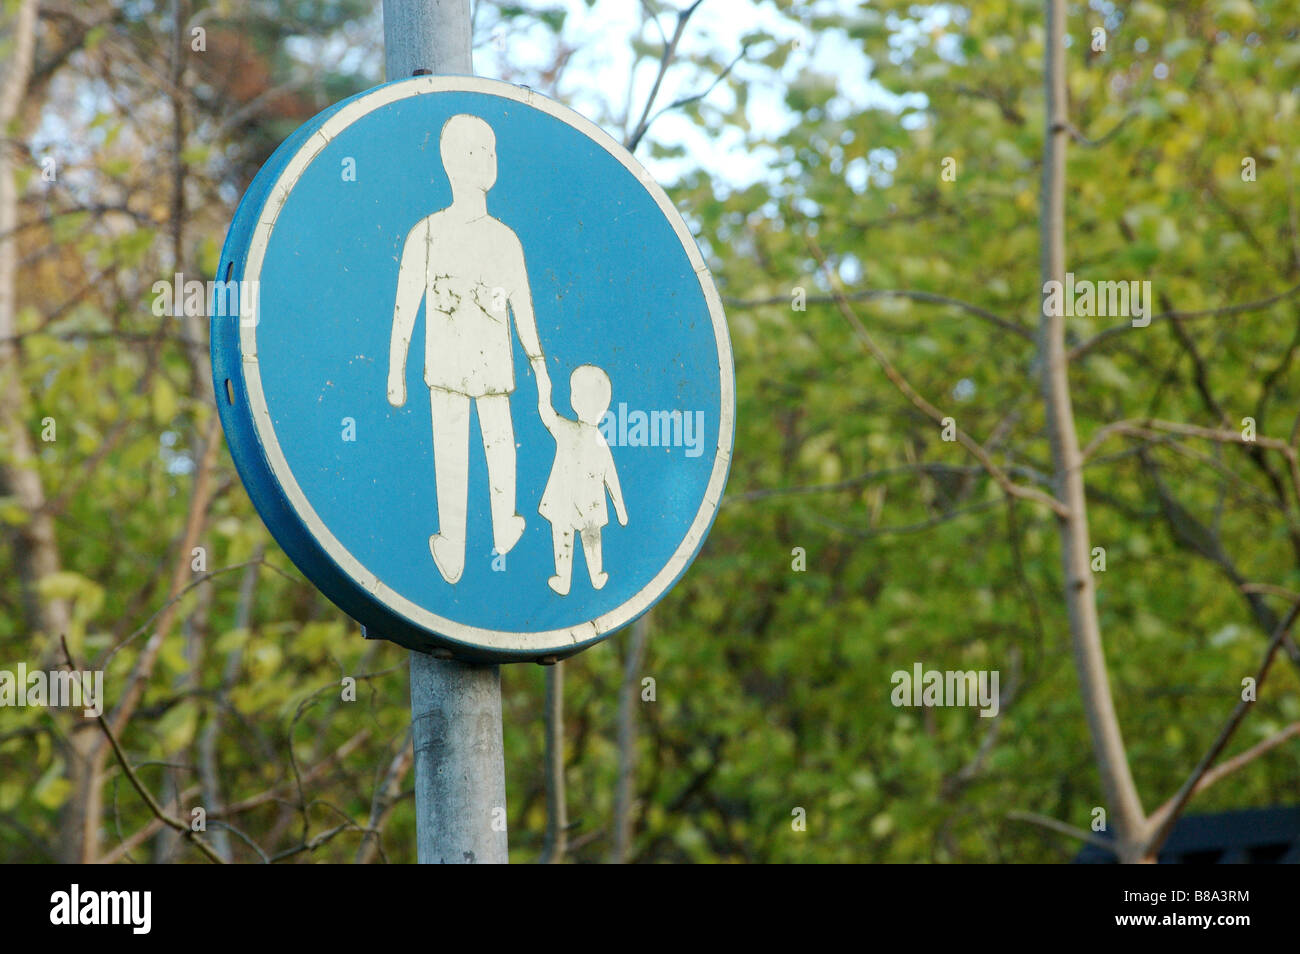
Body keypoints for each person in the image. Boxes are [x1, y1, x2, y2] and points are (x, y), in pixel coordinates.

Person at [386, 114, 551, 584]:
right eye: (478, 150)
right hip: (446, 366)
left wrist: (541, 372)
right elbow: (406, 307)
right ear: (452, 161)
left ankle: (505, 528)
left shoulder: (505, 239)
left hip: (491, 366)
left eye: (492, 150)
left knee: (500, 441)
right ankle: (453, 547)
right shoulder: (428, 232)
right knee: (452, 452)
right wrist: (394, 374)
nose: (489, 160)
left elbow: (524, 311)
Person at [537, 365, 628, 595]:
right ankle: (594, 575)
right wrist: (621, 510)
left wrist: (543, 386)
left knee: (565, 535)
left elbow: (546, 414)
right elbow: (613, 481)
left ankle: (564, 578)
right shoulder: (600, 441)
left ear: (575, 400)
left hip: (565, 500)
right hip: (588, 504)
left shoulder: (567, 429)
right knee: (590, 537)